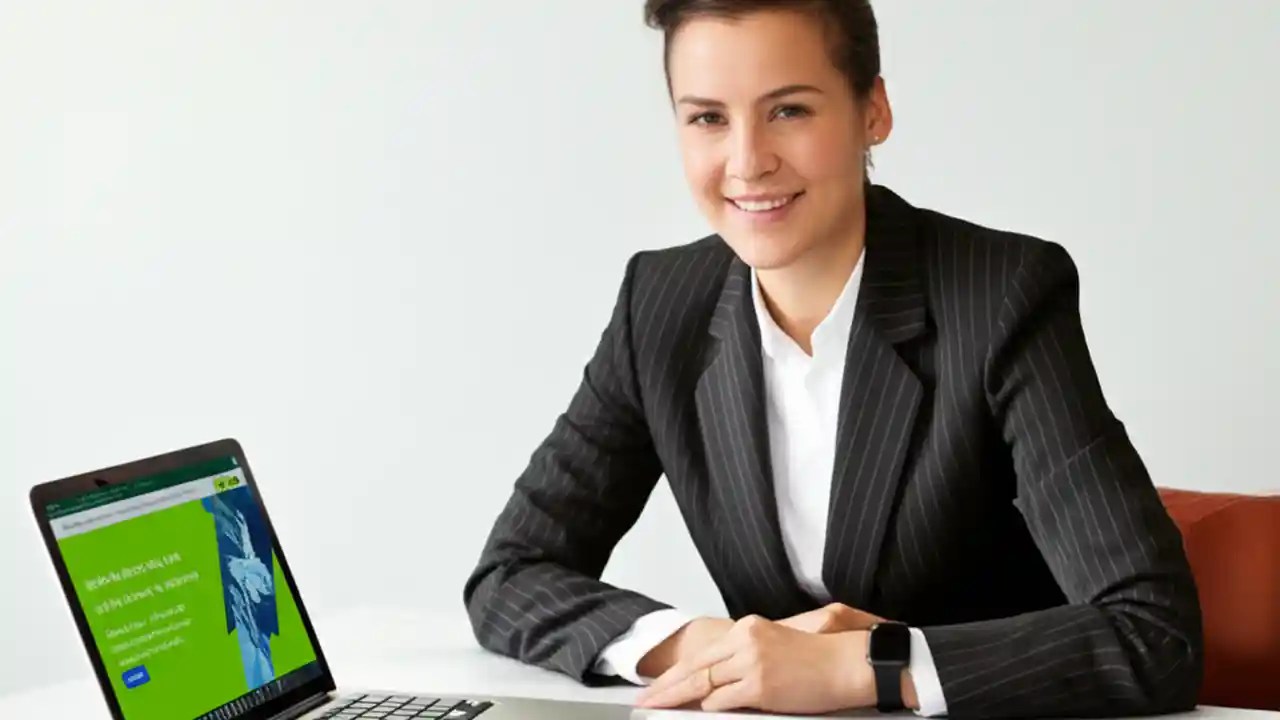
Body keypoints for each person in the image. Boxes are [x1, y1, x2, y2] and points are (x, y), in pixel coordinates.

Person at [462, 1, 1203, 717]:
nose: (747, 161)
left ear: (872, 111)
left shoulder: (1002, 296)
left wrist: (865, 667)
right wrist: (712, 646)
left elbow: (1153, 632)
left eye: (789, 109)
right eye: (708, 118)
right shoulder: (659, 305)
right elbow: (513, 573)